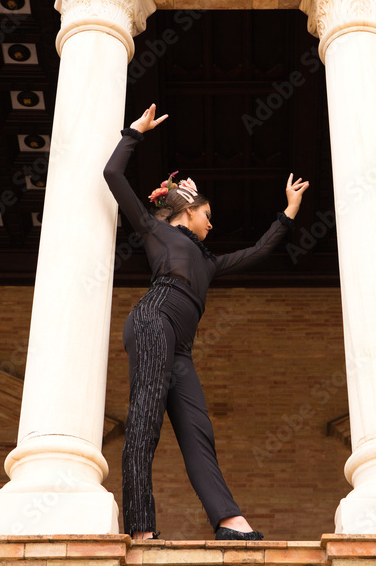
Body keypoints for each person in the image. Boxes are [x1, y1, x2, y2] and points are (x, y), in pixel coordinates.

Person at [103, 103, 309, 541]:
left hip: (179, 347)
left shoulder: (209, 261)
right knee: (145, 421)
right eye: (207, 215)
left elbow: (256, 253)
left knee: (199, 432)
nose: (211, 225)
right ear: (187, 212)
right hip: (153, 321)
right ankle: (141, 529)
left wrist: (288, 213)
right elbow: (113, 176)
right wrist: (135, 133)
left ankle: (229, 520)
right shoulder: (154, 231)